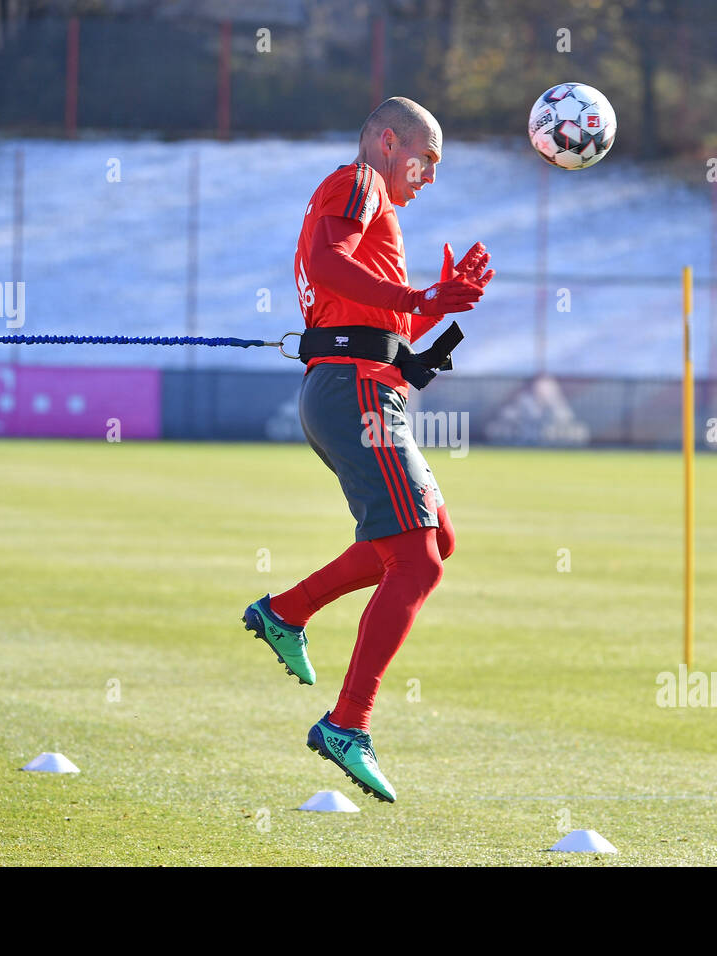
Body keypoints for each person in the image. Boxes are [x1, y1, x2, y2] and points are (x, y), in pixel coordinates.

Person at [242, 96, 494, 802]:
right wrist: (421, 298)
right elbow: (327, 266)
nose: (430, 177)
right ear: (387, 142)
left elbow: (375, 330)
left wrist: (434, 325)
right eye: (426, 159)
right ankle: (348, 724)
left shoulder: (376, 206)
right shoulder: (359, 182)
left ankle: (286, 611)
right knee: (415, 561)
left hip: (357, 385)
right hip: (350, 390)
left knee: (433, 539)